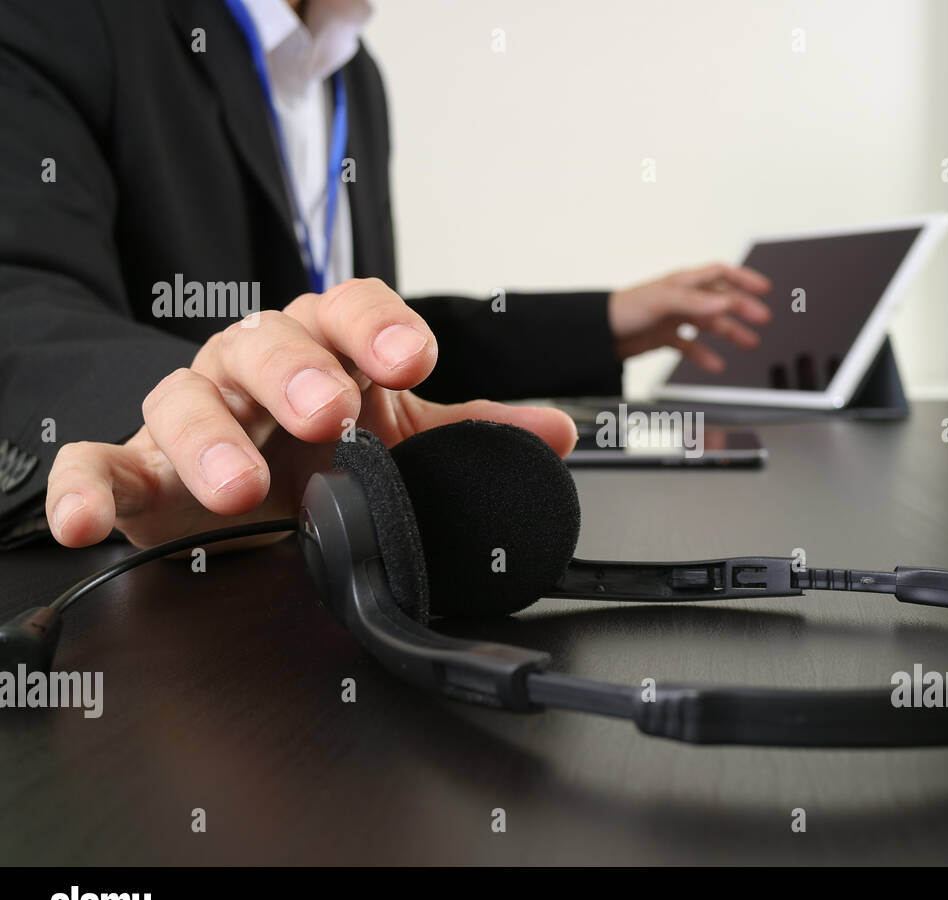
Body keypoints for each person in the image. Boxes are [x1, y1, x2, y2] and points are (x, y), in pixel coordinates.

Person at [0, 0, 773, 551]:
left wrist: (604, 318)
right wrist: (205, 429)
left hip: (326, 572)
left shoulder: (353, 74)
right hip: (160, 602)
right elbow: (20, 301)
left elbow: (372, 357)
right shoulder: (65, 18)